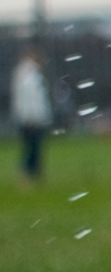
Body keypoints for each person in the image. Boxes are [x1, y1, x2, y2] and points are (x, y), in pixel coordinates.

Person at [11, 44, 51, 187]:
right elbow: (28, 98)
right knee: (31, 148)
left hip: (30, 117)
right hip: (31, 118)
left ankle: (32, 175)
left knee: (33, 147)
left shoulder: (25, 72)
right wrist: (30, 117)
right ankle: (26, 175)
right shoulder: (27, 73)